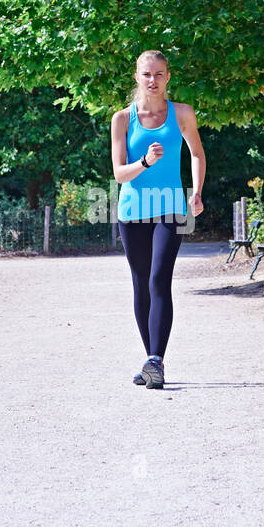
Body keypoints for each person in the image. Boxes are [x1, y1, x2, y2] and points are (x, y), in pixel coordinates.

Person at [110, 50, 206, 389]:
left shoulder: (182, 114)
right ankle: (151, 356)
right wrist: (146, 163)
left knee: (158, 279)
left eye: (159, 74)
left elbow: (196, 151)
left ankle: (155, 361)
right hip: (132, 211)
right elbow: (120, 173)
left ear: (168, 77)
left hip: (171, 208)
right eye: (147, 74)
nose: (153, 80)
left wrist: (196, 191)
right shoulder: (122, 119)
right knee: (140, 284)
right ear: (136, 76)